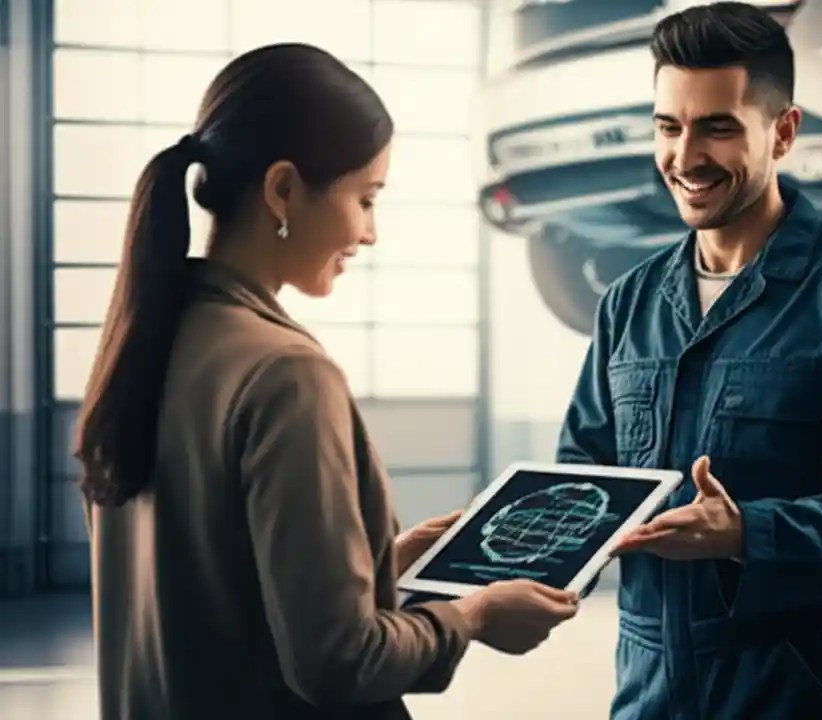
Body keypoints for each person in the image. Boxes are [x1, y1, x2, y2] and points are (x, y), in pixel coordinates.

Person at [75, 43, 579, 720]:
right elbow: (338, 662)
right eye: (365, 198)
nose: (369, 233)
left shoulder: (147, 340)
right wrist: (475, 613)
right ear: (283, 189)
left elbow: (219, 596)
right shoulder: (285, 372)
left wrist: (384, 563)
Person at [555, 3, 822, 718]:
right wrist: (502, 544)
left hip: (795, 691)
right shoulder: (628, 305)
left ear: (783, 131)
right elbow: (583, 471)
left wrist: (744, 534)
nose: (686, 156)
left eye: (718, 128)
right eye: (669, 127)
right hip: (648, 691)